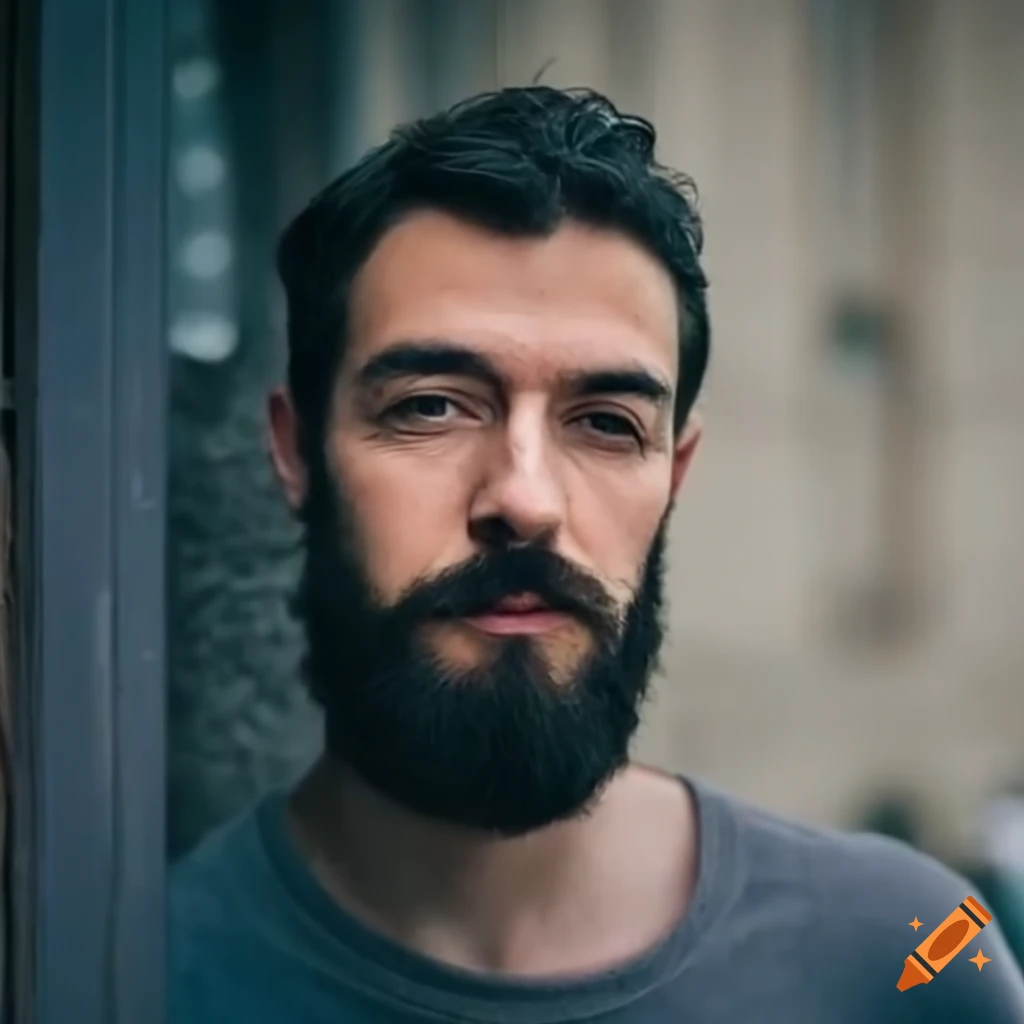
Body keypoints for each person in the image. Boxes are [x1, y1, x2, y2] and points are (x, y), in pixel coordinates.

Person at [170, 85, 1024, 1023]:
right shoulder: (127, 971)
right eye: (430, 405)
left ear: (675, 470)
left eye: (607, 424)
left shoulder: (908, 959)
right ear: (295, 452)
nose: (526, 499)